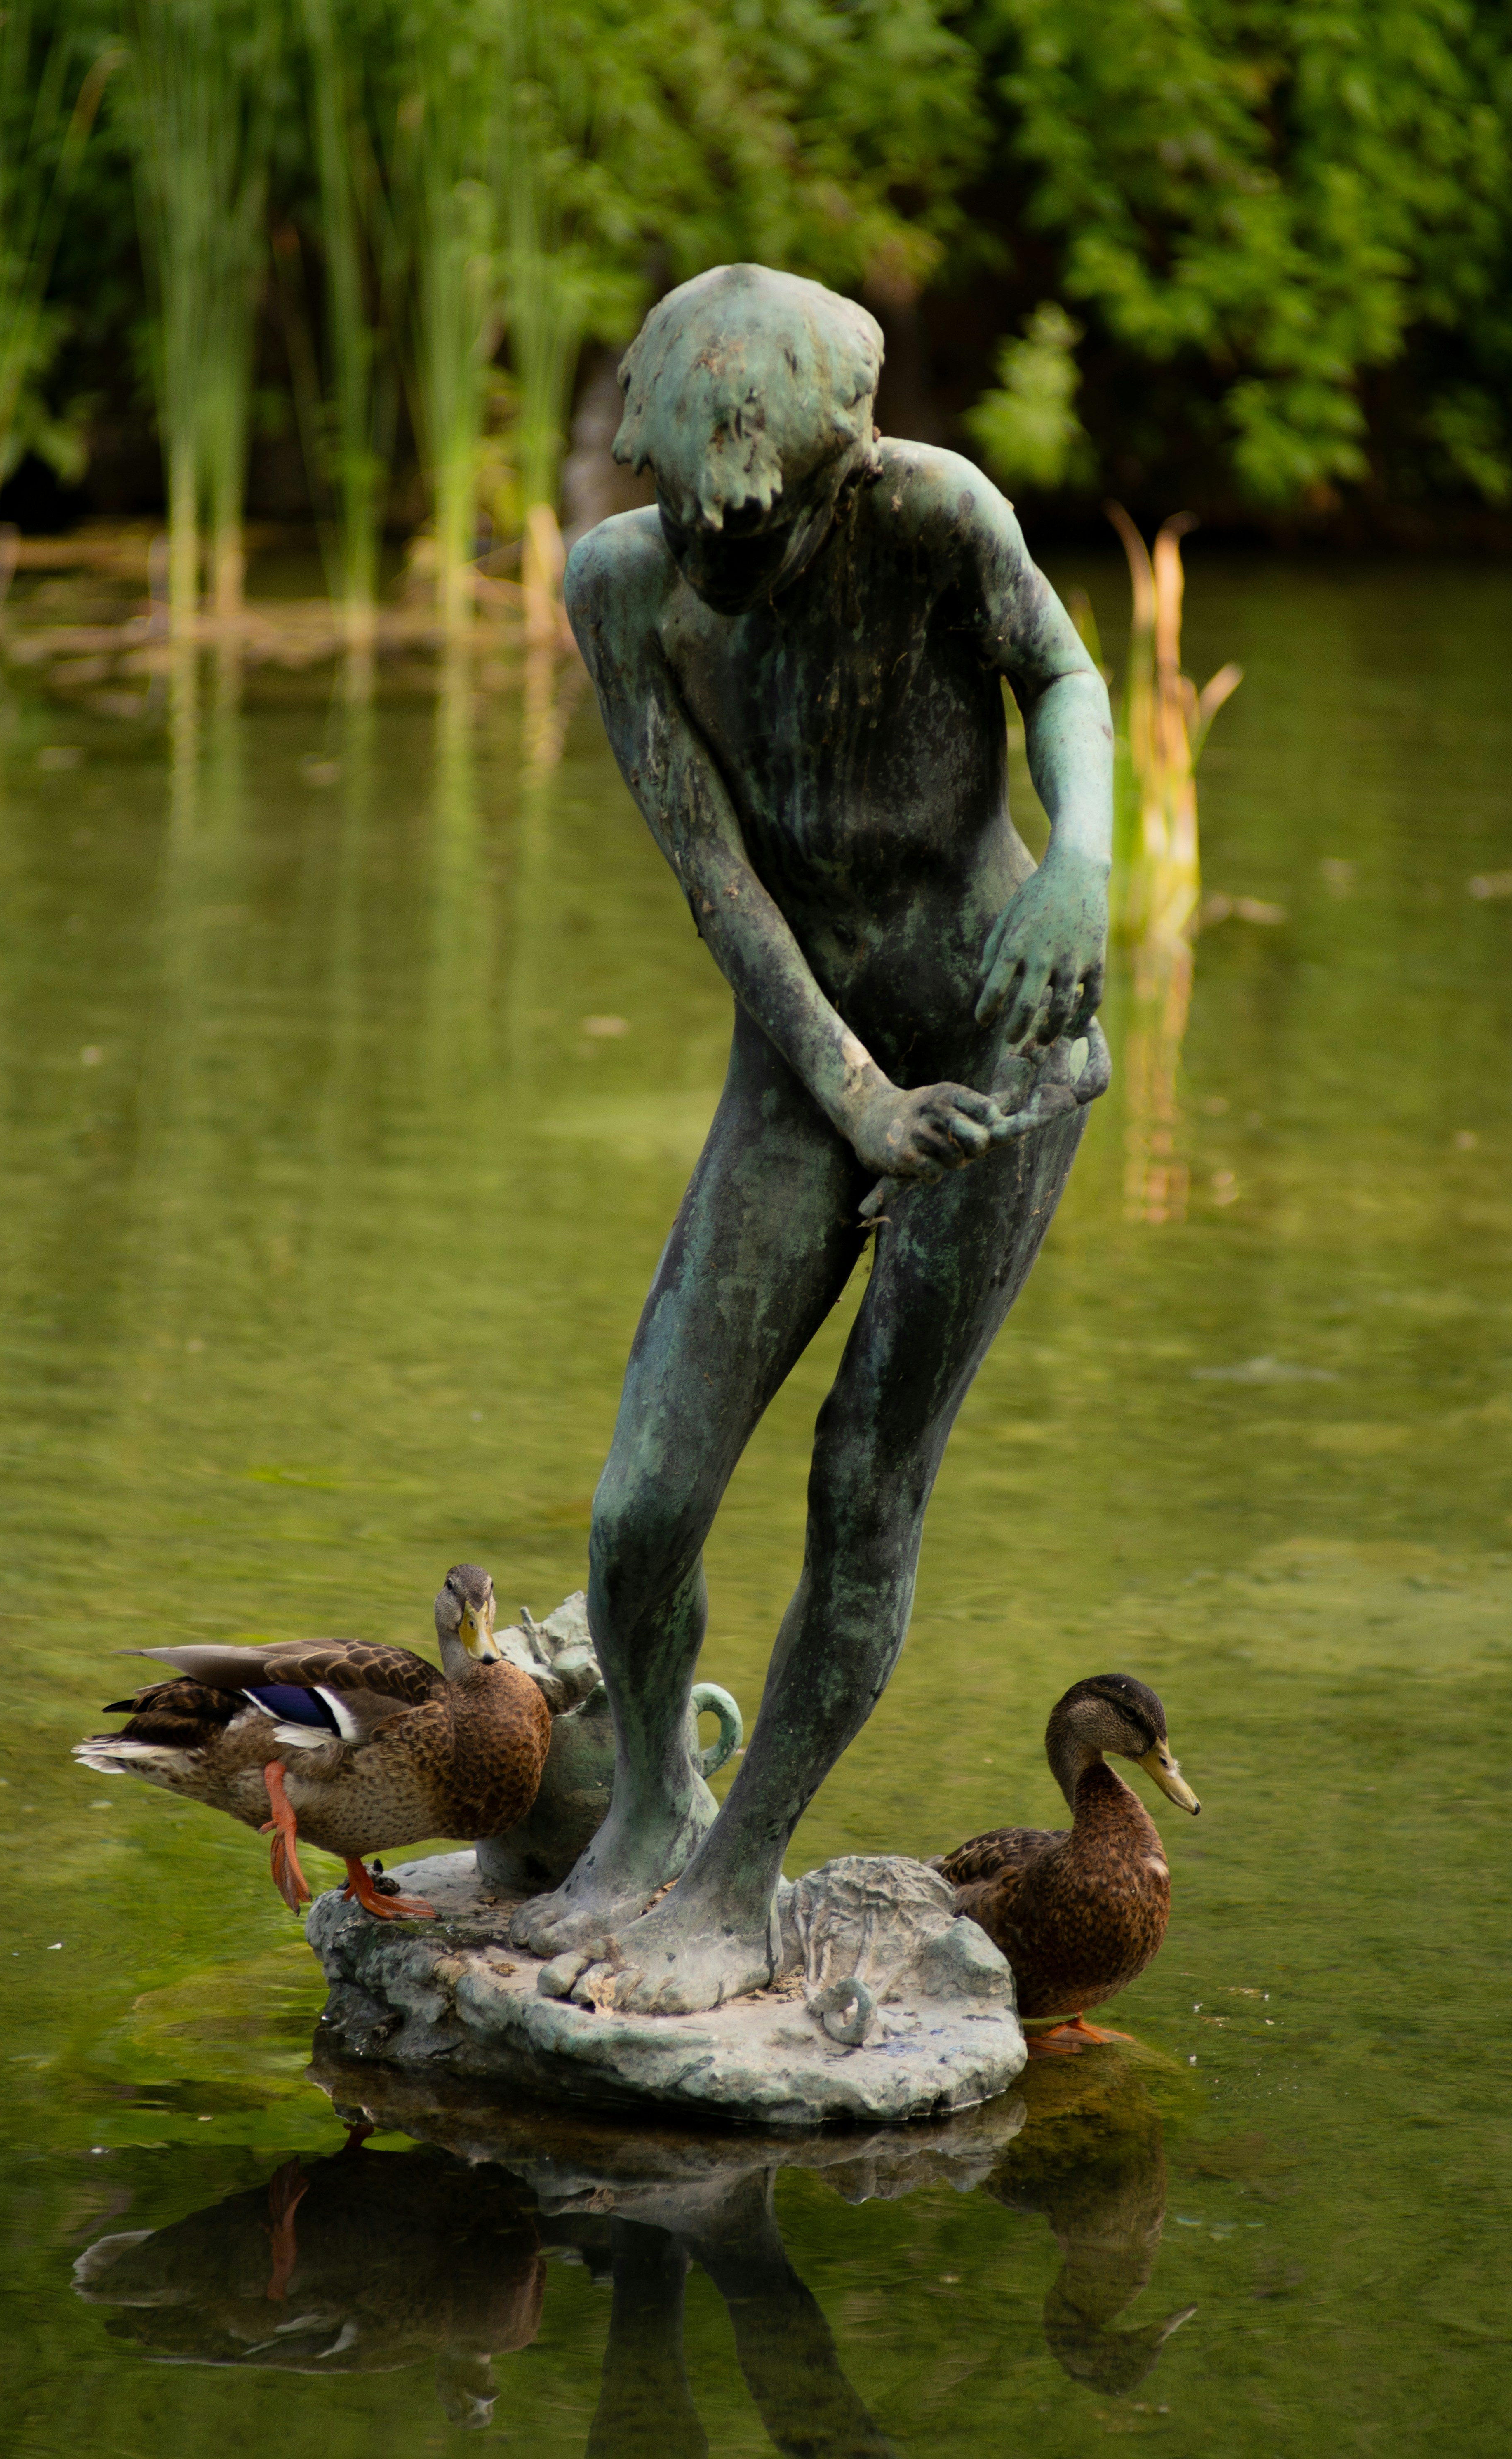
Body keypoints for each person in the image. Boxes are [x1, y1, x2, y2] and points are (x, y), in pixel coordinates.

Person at [515, 263, 1113, 2014]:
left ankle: (738, 1877)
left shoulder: (933, 515)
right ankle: (649, 1812)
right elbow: (719, 883)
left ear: (838, 470)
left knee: (865, 1480)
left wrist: (1083, 860)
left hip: (997, 1045)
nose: (718, 556)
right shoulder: (621, 587)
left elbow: (1065, 675)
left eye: (755, 528)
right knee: (644, 1503)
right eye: (687, 521)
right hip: (804, 1058)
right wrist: (853, 1096)